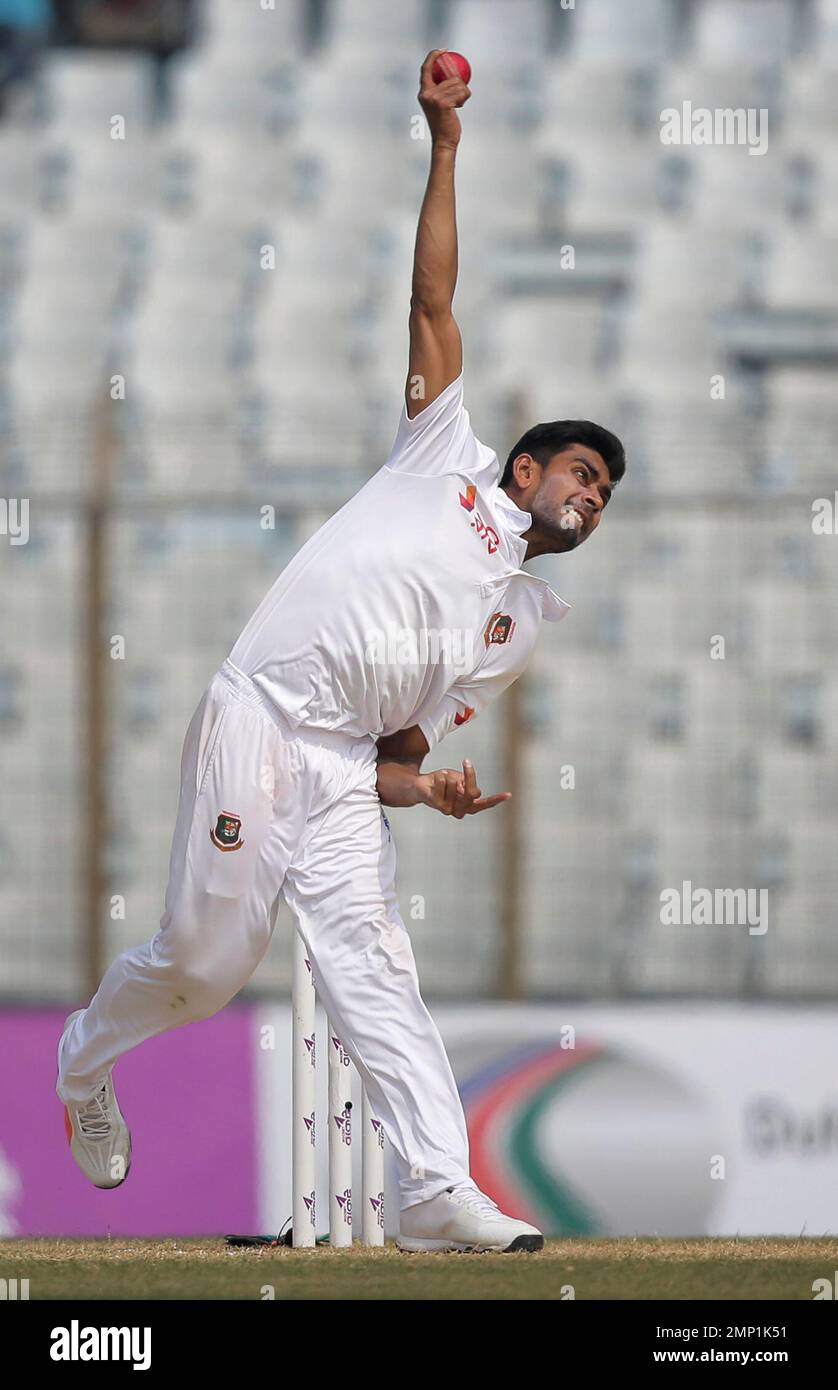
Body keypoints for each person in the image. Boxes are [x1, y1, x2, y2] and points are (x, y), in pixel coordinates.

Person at [57, 50, 626, 1253]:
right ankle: (82, 1061)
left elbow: (394, 751)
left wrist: (430, 787)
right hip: (260, 715)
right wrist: (446, 146)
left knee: (374, 970)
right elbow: (431, 299)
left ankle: (432, 1191)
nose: (593, 497)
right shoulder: (444, 456)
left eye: (608, 493)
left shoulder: (516, 627)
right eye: (583, 472)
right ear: (523, 468)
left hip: (336, 778)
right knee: (207, 967)